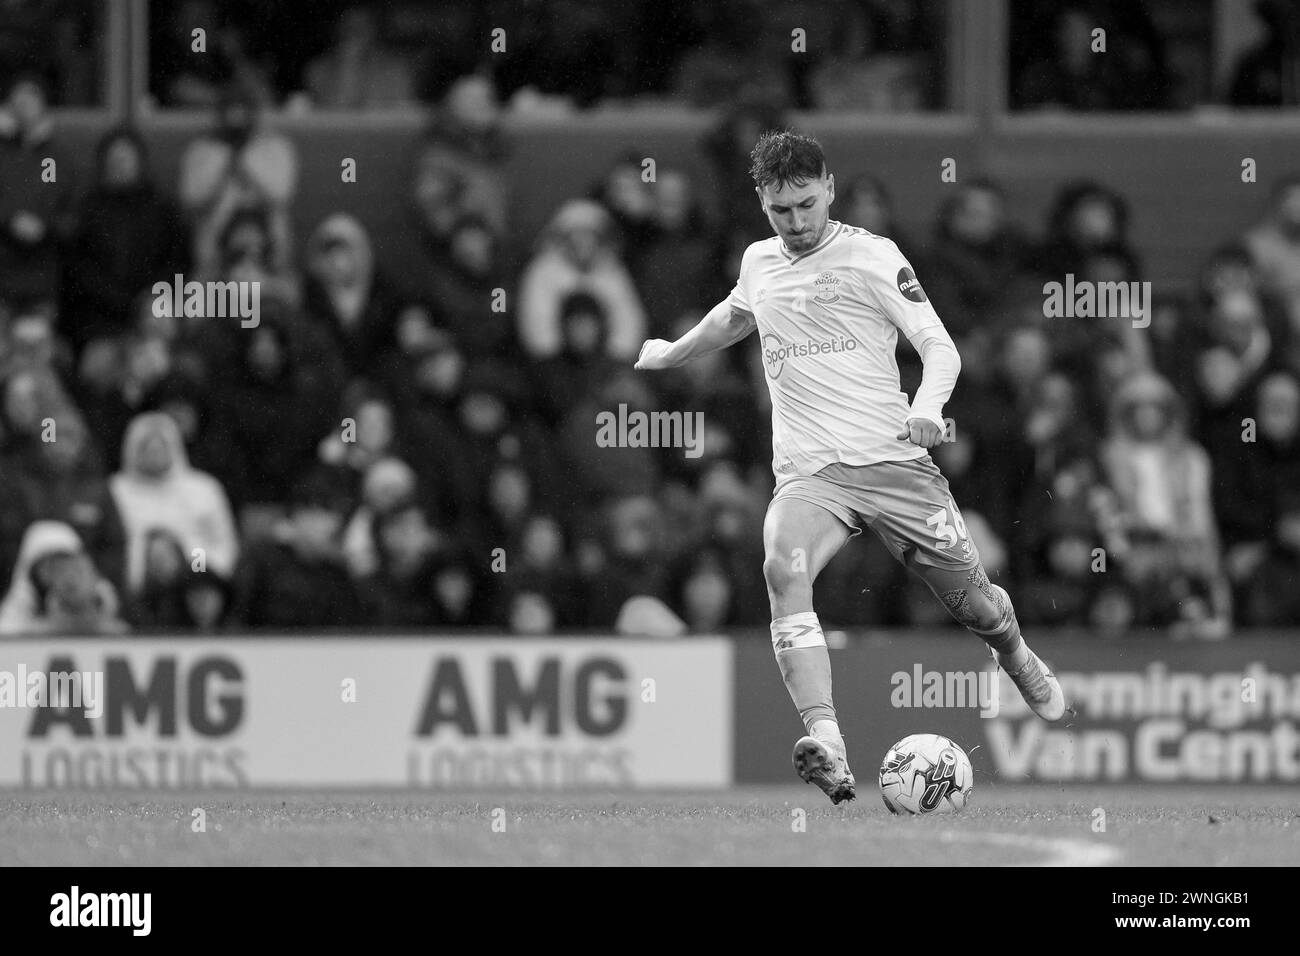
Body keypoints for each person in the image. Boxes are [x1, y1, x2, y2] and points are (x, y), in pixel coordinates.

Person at [634, 131, 1065, 805]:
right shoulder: (758, 262)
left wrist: (927, 407)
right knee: (782, 565)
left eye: (808, 204)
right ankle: (827, 741)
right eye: (782, 211)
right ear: (762, 202)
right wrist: (672, 353)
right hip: (812, 477)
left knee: (980, 608)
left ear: (829, 187)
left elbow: (938, 346)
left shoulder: (872, 256)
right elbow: (731, 318)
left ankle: (1015, 656)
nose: (798, 222)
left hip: (895, 464)